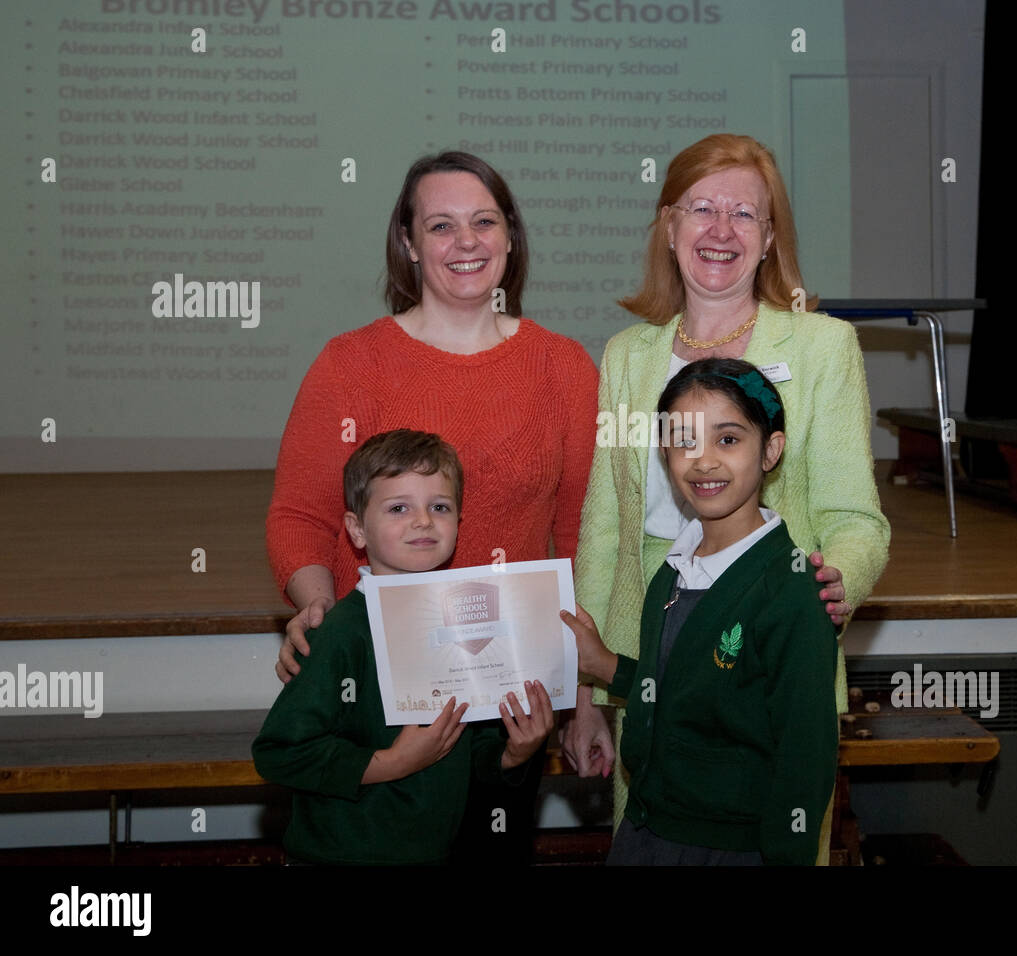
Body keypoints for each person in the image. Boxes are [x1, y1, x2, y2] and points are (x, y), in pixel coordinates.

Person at [563, 133, 890, 861]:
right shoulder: (626, 356)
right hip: (639, 659)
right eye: (701, 208)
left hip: (769, 650)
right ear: (669, 226)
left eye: (745, 214)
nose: (720, 230)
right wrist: (585, 693)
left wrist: (840, 578)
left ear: (770, 239)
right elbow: (604, 527)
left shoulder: (821, 348)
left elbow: (854, 517)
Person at [266, 152, 598, 863]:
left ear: (510, 237)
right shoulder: (350, 364)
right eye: (441, 225)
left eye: (484, 222)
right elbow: (300, 516)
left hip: (511, 698)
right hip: (378, 699)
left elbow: (576, 536)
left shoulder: (564, 367)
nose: (466, 242)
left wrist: (583, 696)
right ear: (409, 244)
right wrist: (318, 609)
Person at [562, 360, 838, 865]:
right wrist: (604, 665)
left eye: (728, 440)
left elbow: (806, 759)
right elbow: (683, 694)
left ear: (770, 450)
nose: (703, 460)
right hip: (646, 833)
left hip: (730, 849)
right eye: (683, 440)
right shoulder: (672, 571)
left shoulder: (791, 591)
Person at [253, 429, 555, 864]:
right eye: (399, 508)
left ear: (459, 522)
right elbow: (279, 753)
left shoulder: (467, 623)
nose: (422, 521)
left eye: (439, 507)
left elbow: (473, 747)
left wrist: (514, 752)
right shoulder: (341, 632)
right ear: (357, 530)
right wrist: (390, 763)